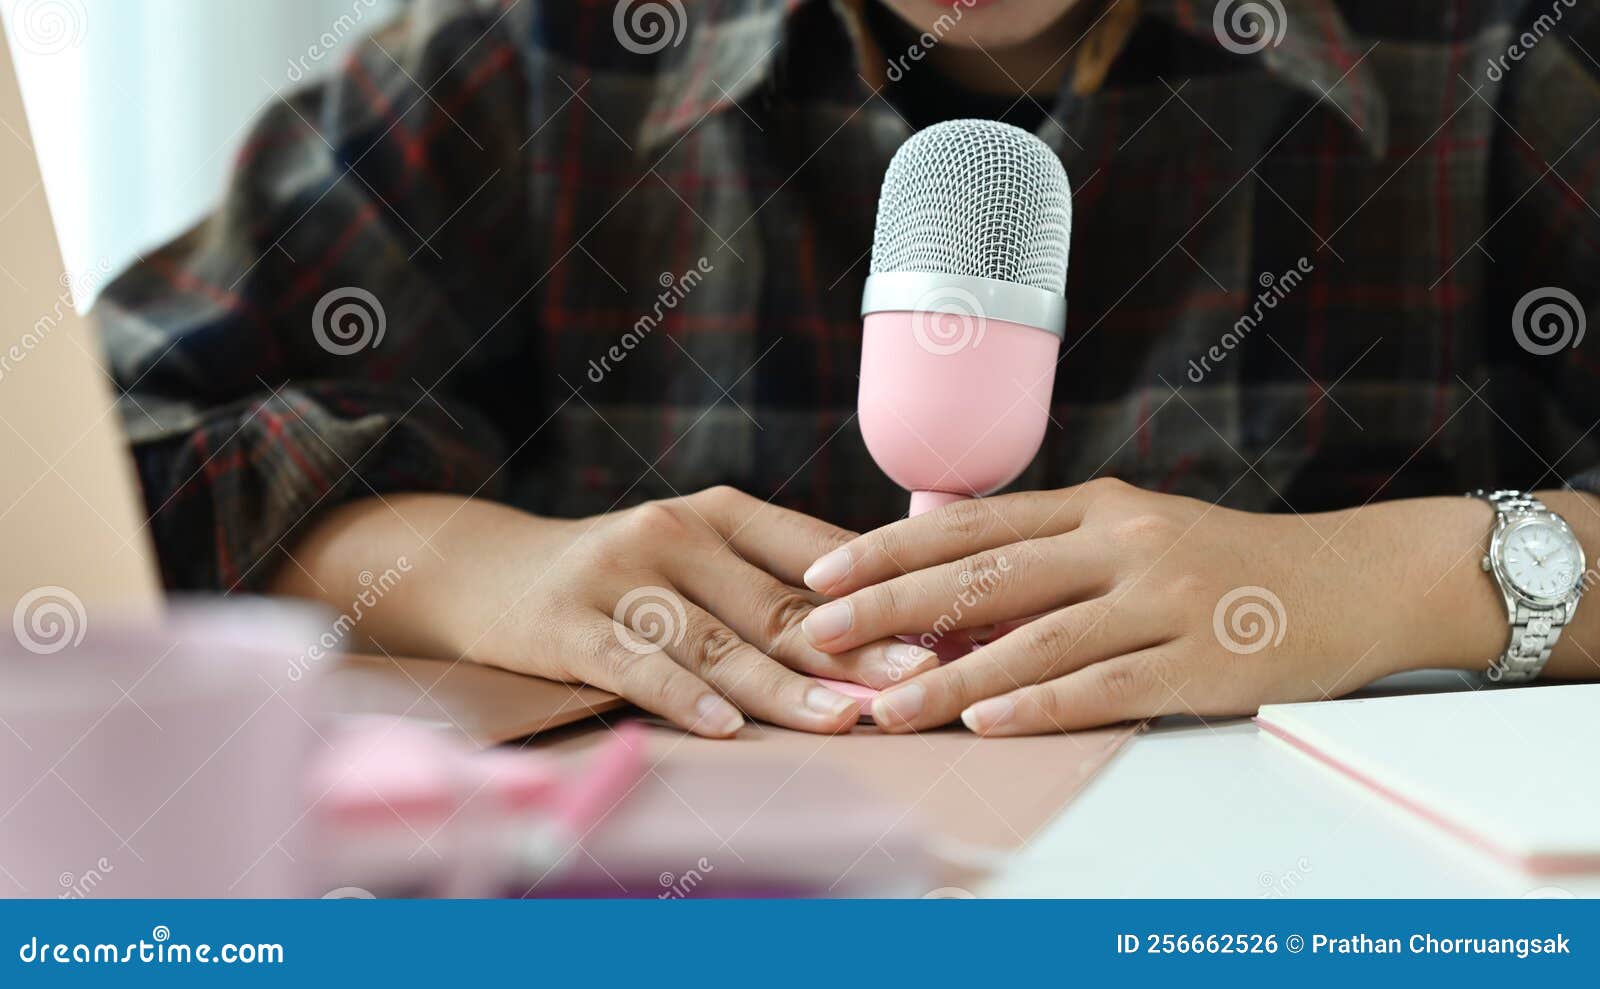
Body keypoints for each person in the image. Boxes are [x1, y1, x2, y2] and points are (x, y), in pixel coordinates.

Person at [97, 0, 1600, 737]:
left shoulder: (1500, 52)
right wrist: (457, 566)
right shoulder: (534, 54)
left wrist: (1394, 582)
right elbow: (98, 434)